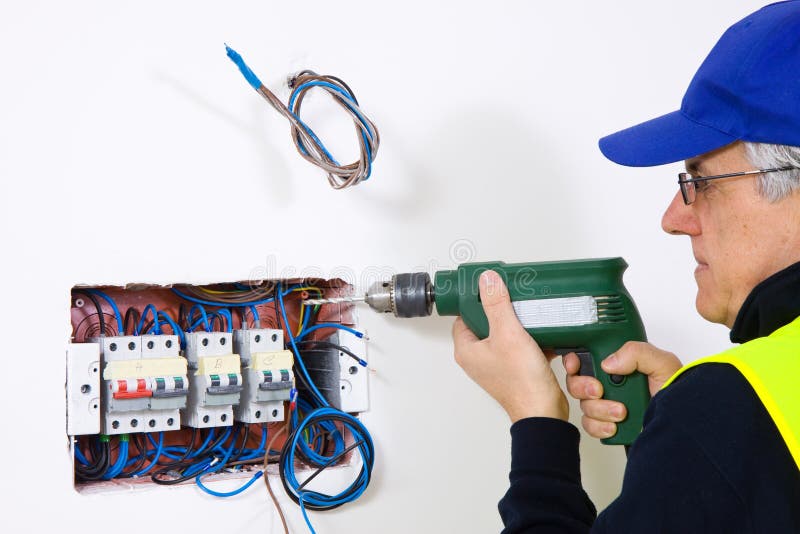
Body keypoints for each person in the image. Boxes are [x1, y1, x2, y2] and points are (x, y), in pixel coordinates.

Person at [452, 2, 800, 532]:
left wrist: (537, 422)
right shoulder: (732, 417)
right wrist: (682, 453)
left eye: (699, 182)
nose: (674, 218)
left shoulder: (729, 411)